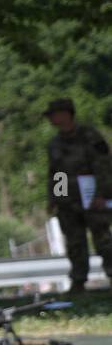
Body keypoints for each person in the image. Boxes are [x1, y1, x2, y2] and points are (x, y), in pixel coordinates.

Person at [44, 98, 112, 293]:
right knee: (74, 243)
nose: (51, 119)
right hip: (68, 202)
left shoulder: (90, 136)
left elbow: (104, 168)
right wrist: (54, 198)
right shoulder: (55, 143)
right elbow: (56, 174)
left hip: (92, 199)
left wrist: (101, 195)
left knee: (103, 239)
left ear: (66, 114)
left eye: (54, 114)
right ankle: (78, 280)